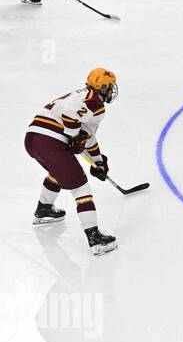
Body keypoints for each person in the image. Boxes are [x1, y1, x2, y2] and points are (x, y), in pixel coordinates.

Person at [25, 68, 120, 256]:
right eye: (109, 87)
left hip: (33, 139)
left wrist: (99, 162)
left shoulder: (80, 95)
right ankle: (95, 238)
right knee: (81, 188)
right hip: (50, 142)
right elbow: (70, 118)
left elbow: (88, 137)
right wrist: (73, 136)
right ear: (101, 87)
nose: (111, 91)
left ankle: (44, 209)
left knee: (59, 172)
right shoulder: (94, 103)